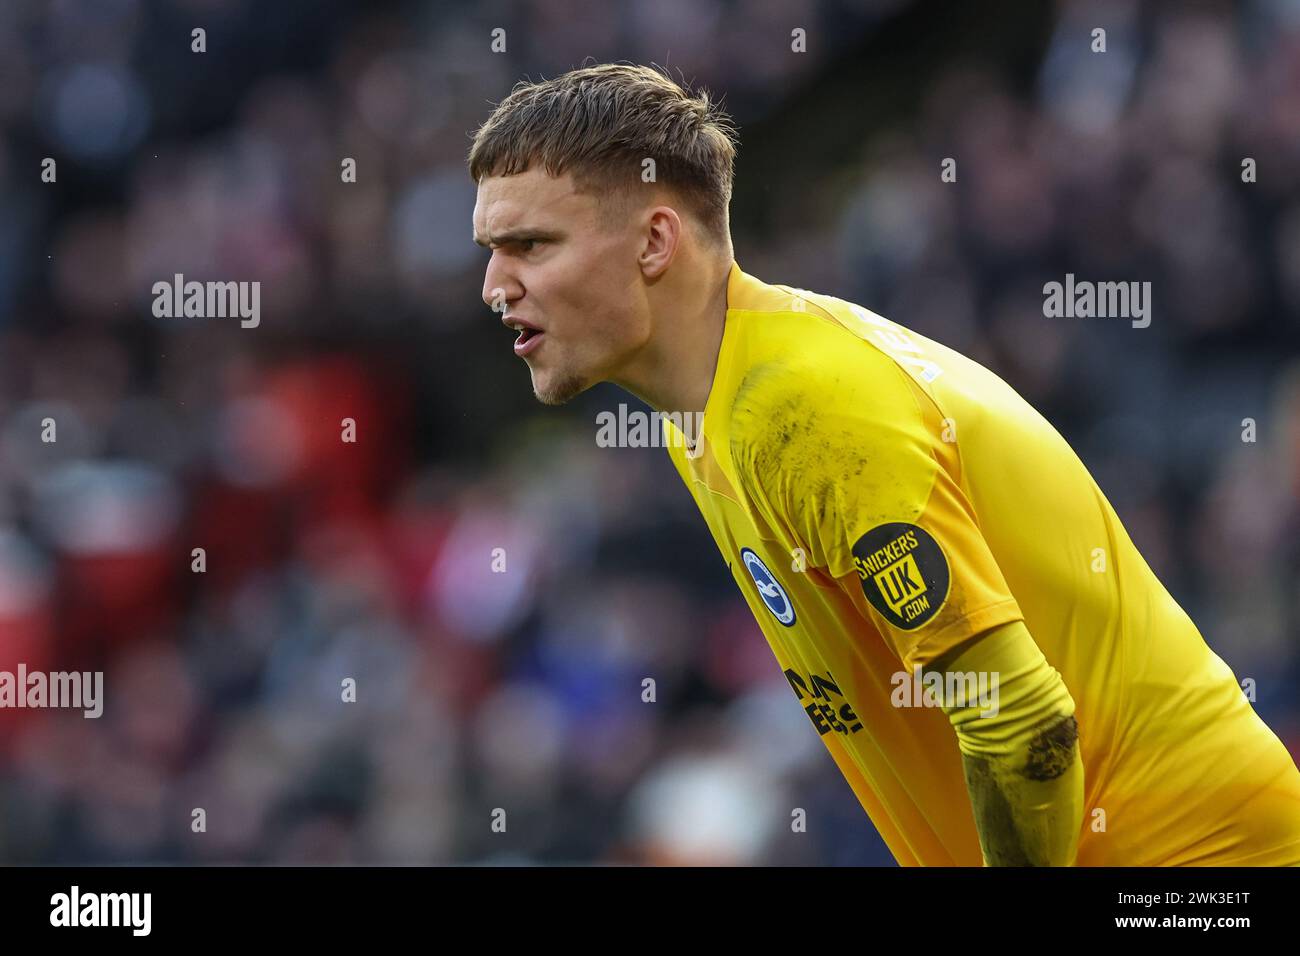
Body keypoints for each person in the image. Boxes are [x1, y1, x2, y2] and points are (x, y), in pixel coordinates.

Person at [467, 62, 1300, 865]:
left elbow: (1023, 725)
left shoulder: (802, 412)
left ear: (655, 242)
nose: (494, 286)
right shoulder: (716, 403)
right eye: (491, 251)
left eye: (530, 245)